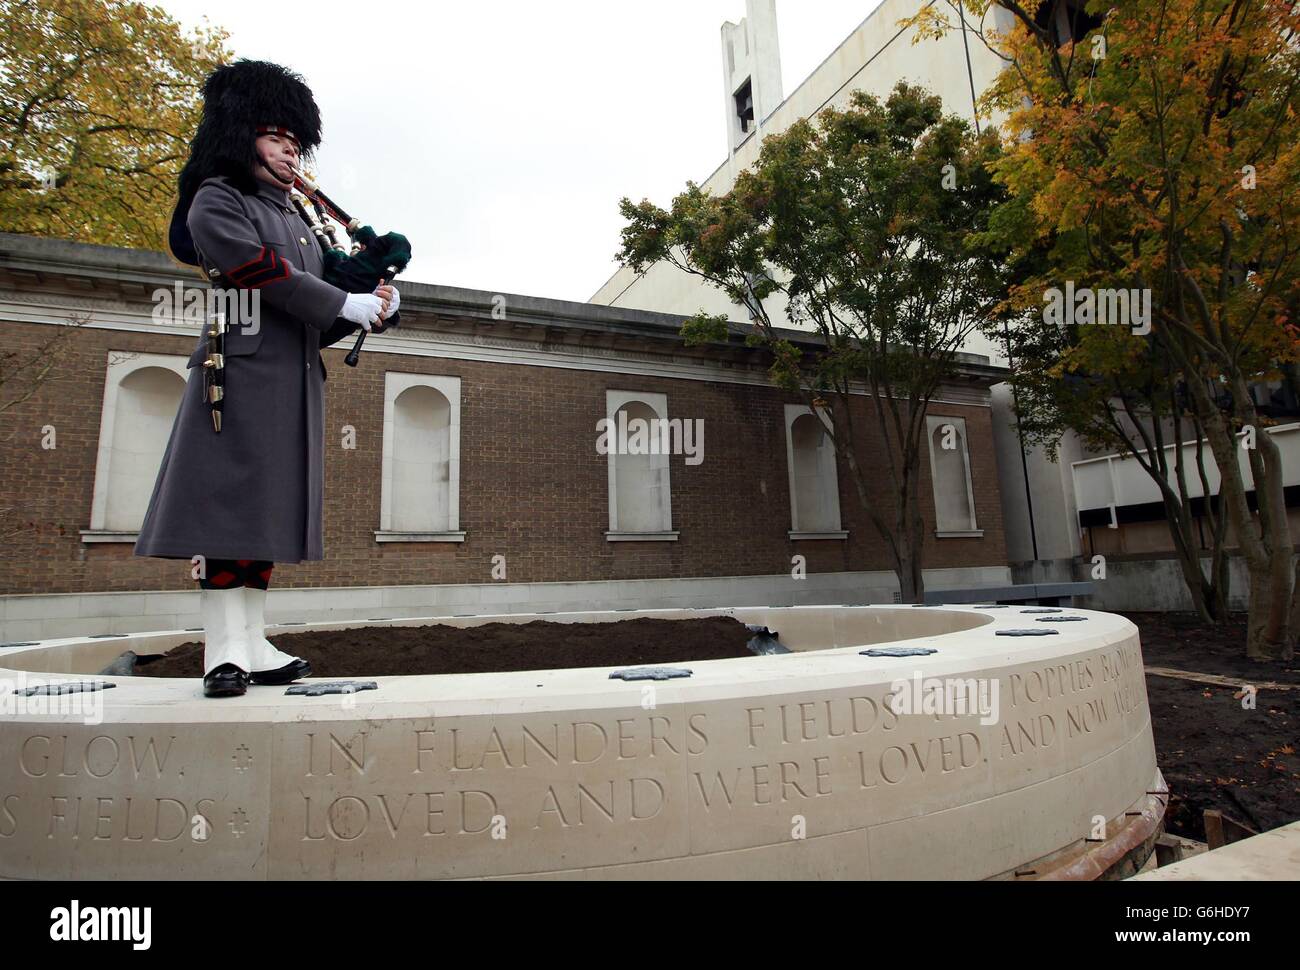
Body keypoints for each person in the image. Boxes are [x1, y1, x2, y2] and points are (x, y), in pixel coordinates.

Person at [134, 59, 399, 697]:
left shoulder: (299, 222)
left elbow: (307, 315)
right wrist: (339, 300)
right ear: (241, 134)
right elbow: (253, 270)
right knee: (227, 513)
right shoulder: (218, 199)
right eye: (276, 136)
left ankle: (252, 641)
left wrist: (372, 308)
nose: (289, 150)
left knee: (262, 515)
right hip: (240, 371)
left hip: (291, 377)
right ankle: (221, 650)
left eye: (293, 140)